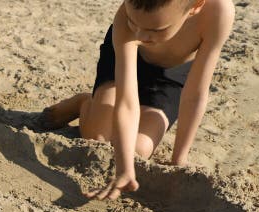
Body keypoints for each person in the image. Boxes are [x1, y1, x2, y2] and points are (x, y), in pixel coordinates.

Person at [41, 0, 235, 200]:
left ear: (195, 6)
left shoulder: (218, 12)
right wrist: (124, 170)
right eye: (135, 24)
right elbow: (127, 102)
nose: (141, 36)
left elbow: (194, 95)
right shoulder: (126, 17)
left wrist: (179, 159)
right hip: (125, 62)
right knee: (98, 137)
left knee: (139, 149)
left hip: (169, 79)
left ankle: (97, 104)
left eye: (156, 29)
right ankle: (84, 104)